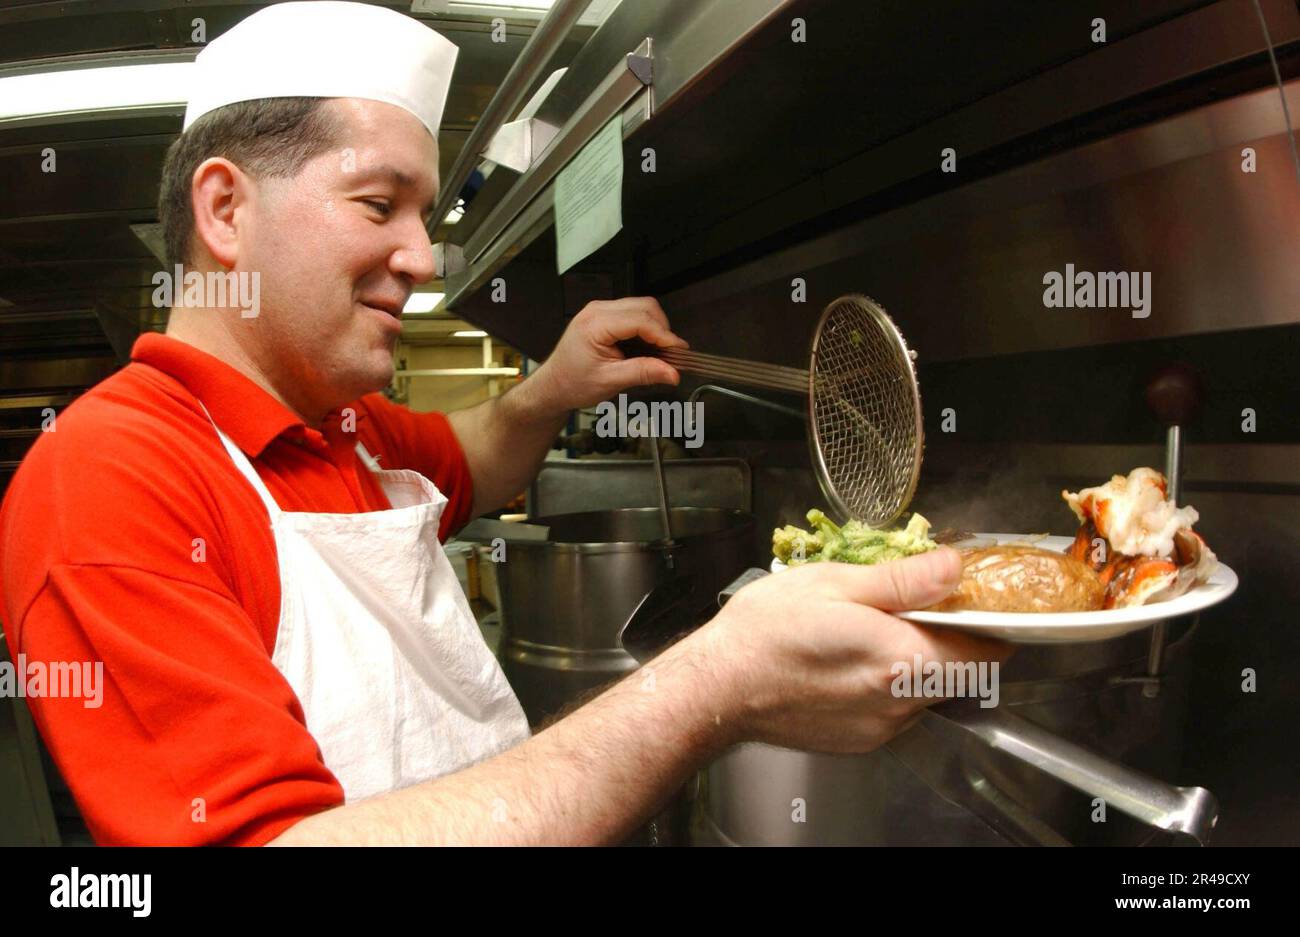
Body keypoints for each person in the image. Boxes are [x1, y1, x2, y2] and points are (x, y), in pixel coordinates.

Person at [0, 2, 1008, 845]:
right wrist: (715, 681)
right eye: (377, 203)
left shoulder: (342, 426)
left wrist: (551, 388)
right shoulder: (108, 476)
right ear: (225, 213)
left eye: (425, 216)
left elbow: (470, 461)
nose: (425, 258)